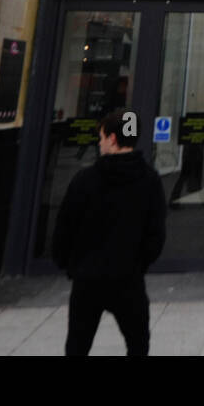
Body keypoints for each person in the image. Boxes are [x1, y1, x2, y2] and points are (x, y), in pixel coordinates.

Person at [52, 108, 166, 356]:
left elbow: (64, 229)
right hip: (128, 279)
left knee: (77, 345)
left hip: (87, 279)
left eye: (102, 137)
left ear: (113, 139)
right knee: (138, 344)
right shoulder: (150, 180)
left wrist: (70, 264)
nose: (100, 142)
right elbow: (155, 235)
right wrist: (138, 263)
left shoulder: (85, 180)